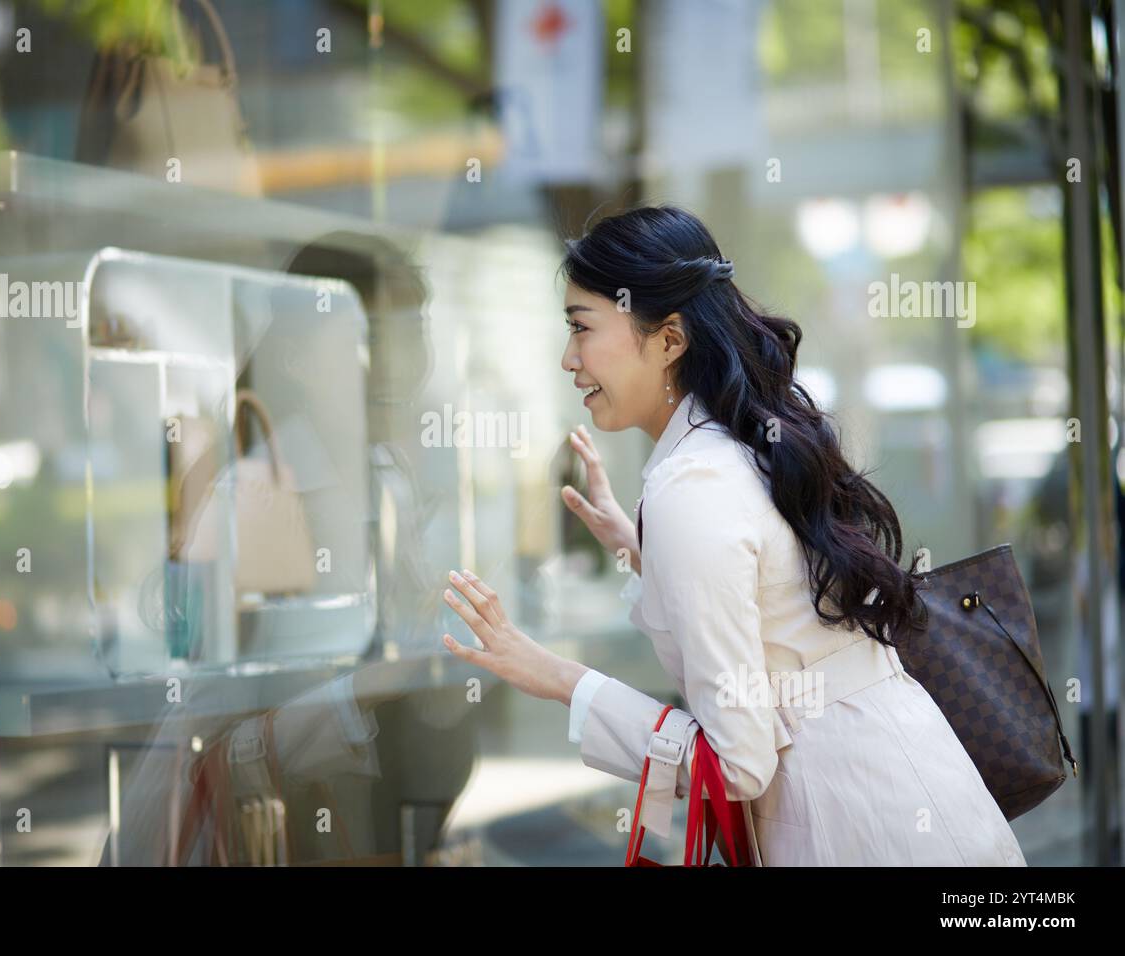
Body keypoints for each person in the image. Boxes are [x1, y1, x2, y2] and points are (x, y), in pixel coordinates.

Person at [440, 203, 1027, 866]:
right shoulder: (740, 446)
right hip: (900, 789)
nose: (568, 358)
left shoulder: (691, 485)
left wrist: (557, 676)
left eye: (581, 328)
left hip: (850, 820)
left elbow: (737, 764)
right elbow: (776, 602)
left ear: (669, 340)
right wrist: (638, 548)